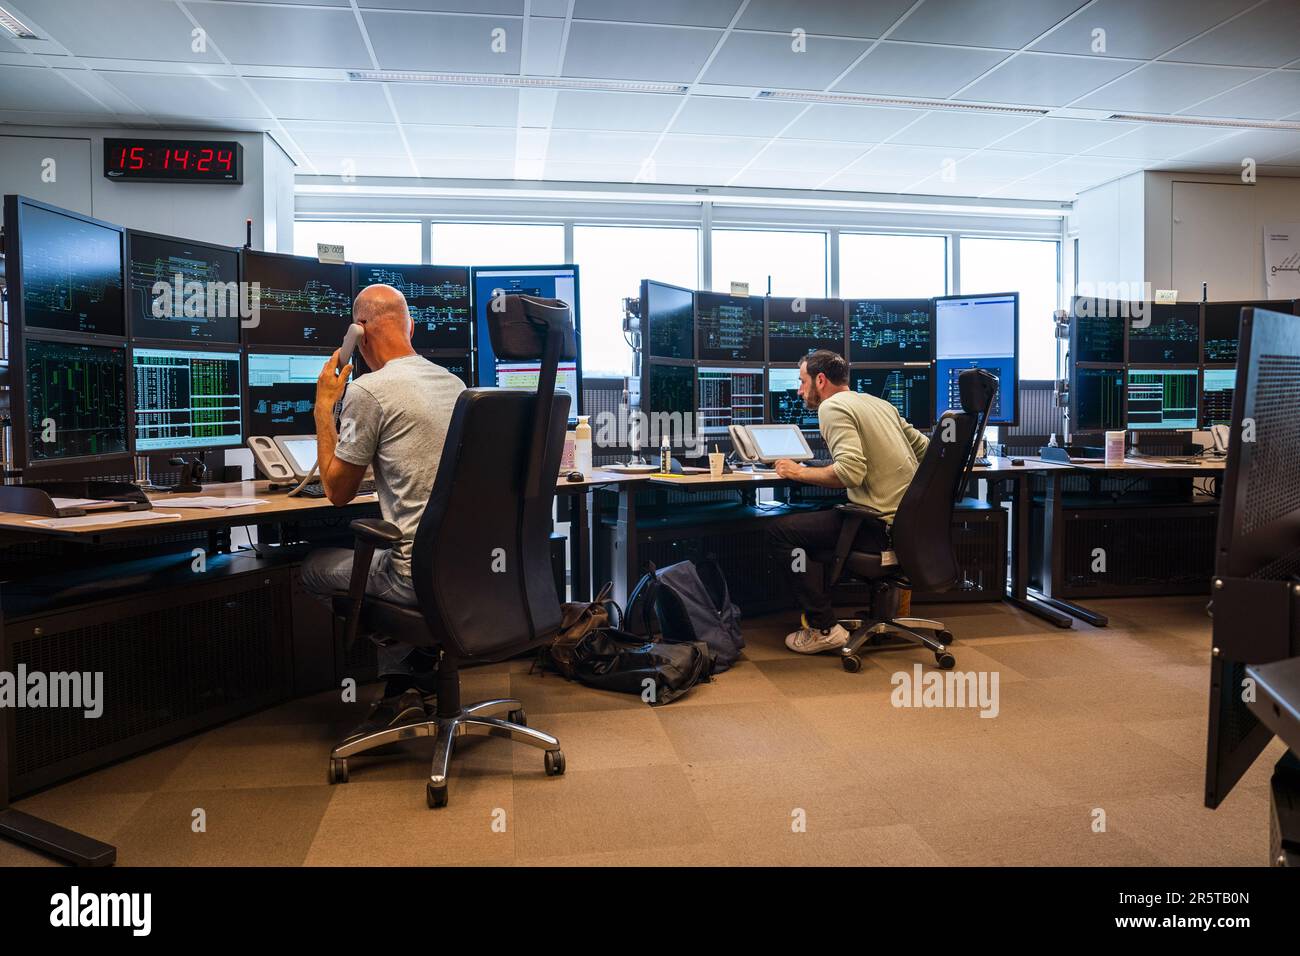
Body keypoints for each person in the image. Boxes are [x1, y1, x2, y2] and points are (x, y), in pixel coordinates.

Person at [300, 284, 464, 738]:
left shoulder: (368, 392)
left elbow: (335, 491)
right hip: (468, 572)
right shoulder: (455, 385)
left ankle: (406, 678)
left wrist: (323, 405)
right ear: (411, 328)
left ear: (359, 335)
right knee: (386, 552)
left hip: (415, 578)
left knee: (314, 566)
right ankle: (409, 683)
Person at [766, 349, 929, 654]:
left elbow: (851, 472)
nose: (800, 391)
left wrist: (798, 471)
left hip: (878, 526)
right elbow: (928, 452)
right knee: (814, 522)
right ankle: (822, 617)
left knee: (782, 531)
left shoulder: (832, 407)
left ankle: (823, 628)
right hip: (910, 525)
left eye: (803, 382)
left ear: (821, 380)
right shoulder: (879, 404)